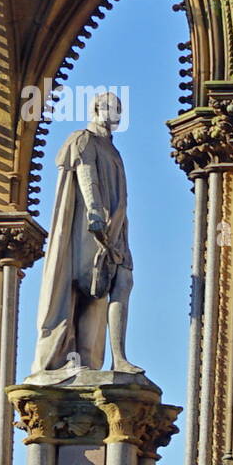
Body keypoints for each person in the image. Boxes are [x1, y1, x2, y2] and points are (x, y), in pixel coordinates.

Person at [32, 92, 142, 375]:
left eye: (119, 108)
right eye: (109, 107)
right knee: (87, 288)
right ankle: (72, 356)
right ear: (95, 108)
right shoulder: (83, 138)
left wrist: (119, 229)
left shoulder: (113, 149)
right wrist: (95, 213)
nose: (115, 113)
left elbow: (122, 194)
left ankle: (117, 358)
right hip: (87, 227)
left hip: (117, 228)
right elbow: (86, 175)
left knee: (123, 282)